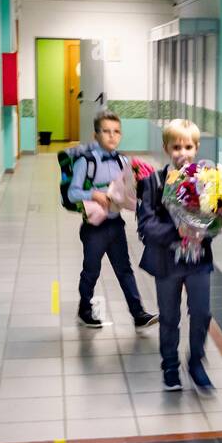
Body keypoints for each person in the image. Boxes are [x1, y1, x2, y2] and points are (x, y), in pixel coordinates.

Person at [136, 119, 215, 393]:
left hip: (198, 262)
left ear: (196, 148)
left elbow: (214, 221)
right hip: (167, 263)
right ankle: (170, 365)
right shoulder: (153, 182)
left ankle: (196, 362)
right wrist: (178, 230)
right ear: (166, 147)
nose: (183, 152)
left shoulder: (207, 183)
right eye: (176, 146)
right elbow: (146, 226)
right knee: (169, 317)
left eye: (188, 146)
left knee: (202, 312)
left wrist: (207, 229)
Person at [66, 109, 157, 331]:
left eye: (116, 131)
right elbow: (72, 193)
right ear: (96, 135)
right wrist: (94, 194)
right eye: (106, 131)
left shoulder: (124, 160)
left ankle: (138, 314)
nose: (112, 136)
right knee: (91, 270)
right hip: (94, 228)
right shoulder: (86, 162)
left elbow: (128, 188)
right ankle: (84, 309)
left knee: (124, 269)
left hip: (116, 224)